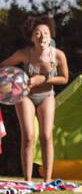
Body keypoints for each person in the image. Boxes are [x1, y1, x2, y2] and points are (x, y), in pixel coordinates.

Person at [1, 15, 70, 183]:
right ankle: (27, 180)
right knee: (29, 136)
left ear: (51, 35)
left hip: (47, 96)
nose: (42, 36)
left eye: (46, 33)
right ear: (31, 37)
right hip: (25, 96)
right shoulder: (23, 54)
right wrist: (14, 80)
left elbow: (64, 78)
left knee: (46, 136)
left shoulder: (58, 55)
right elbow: (3, 67)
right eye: (38, 33)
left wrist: (43, 79)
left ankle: (47, 180)